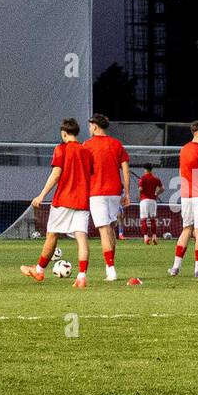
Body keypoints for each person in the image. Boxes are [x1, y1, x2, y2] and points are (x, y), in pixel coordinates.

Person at [22, 118, 93, 287]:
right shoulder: (86, 151)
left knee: (52, 235)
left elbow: (56, 174)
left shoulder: (61, 149)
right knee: (82, 238)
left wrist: (41, 195)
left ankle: (39, 270)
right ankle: (82, 276)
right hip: (82, 201)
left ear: (63, 133)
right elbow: (89, 174)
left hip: (64, 199)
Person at [84, 114, 131, 282]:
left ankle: (111, 270)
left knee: (104, 230)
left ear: (95, 126)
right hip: (114, 192)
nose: (89, 129)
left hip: (97, 192)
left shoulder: (87, 146)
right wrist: (127, 192)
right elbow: (125, 169)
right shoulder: (117, 144)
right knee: (110, 228)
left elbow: (83, 171)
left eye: (90, 126)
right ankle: (109, 267)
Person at [169, 120, 198, 279]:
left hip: (187, 196)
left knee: (186, 229)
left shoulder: (183, 150)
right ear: (196, 133)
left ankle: (175, 267)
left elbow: (182, 173)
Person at [138, 164, 163, 244]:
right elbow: (162, 188)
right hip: (153, 200)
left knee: (144, 219)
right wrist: (156, 194)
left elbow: (141, 189)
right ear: (151, 170)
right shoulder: (156, 179)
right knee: (152, 219)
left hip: (144, 200)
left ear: (145, 169)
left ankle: (146, 237)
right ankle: (154, 236)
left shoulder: (143, 178)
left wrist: (140, 192)